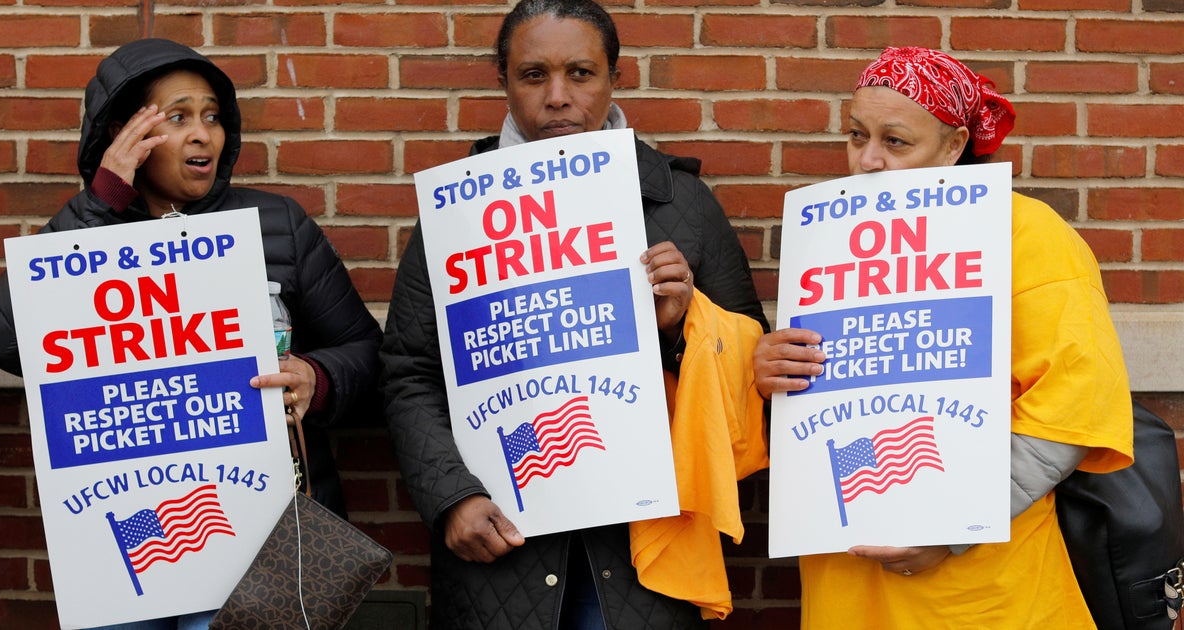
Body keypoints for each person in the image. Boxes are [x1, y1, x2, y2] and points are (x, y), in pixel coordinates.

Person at [379, 0, 768, 627]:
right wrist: (451, 497)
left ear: (614, 77)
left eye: (580, 74)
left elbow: (753, 372)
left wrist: (678, 328)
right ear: (503, 80)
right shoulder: (458, 213)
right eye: (534, 75)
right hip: (506, 545)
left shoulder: (682, 203)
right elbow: (408, 372)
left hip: (643, 552)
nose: (558, 97)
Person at [0, 38, 383, 629]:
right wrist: (99, 206)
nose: (204, 135)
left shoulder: (280, 226)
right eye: (177, 118)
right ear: (125, 135)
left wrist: (317, 381)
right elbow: (1, 338)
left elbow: (369, 355)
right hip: (125, 561)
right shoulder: (87, 234)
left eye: (213, 116)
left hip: (261, 549)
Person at [753, 46, 1134, 628]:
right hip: (846, 583)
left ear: (954, 146)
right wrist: (771, 374)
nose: (868, 161)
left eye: (896, 141)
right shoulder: (828, 239)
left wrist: (951, 525)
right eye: (857, 136)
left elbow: (1071, 411)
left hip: (983, 591)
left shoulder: (1026, 233)